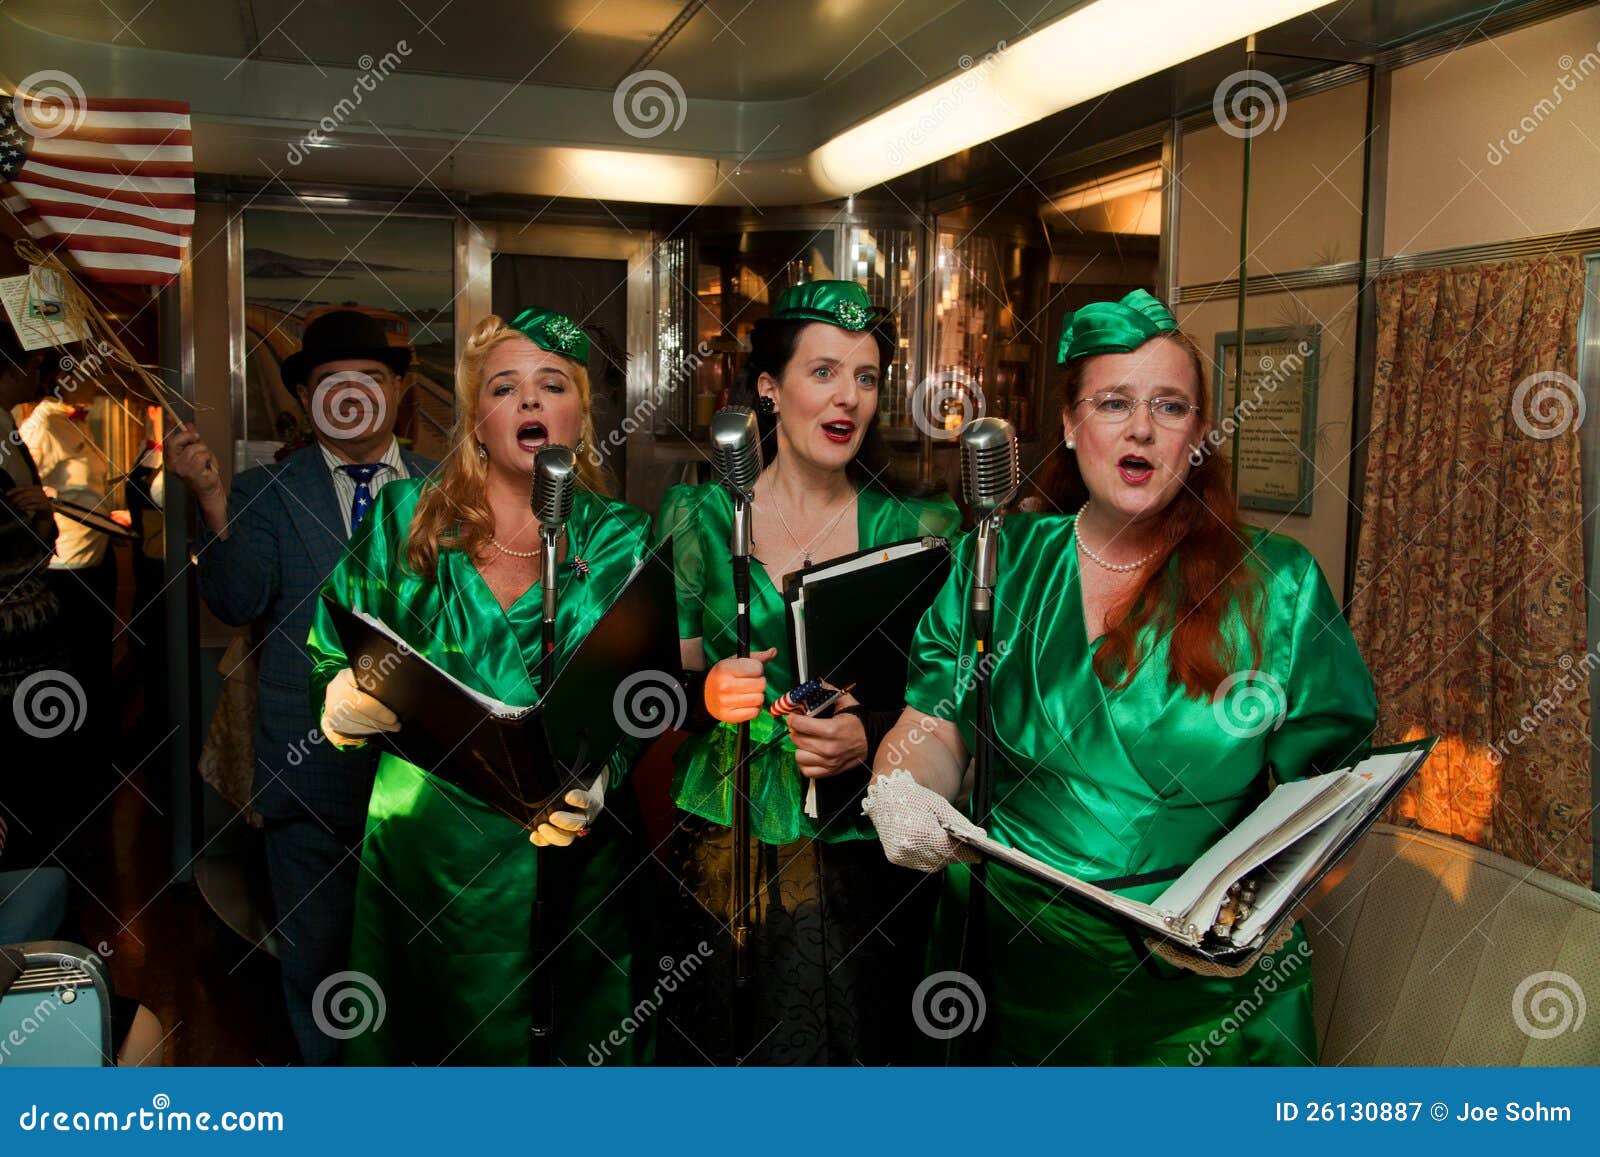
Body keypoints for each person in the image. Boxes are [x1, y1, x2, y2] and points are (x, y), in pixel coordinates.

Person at [865, 289, 1378, 1065]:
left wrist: (1241, 917)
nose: (1141, 427)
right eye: (1113, 402)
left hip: (1199, 996)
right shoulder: (998, 560)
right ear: (1071, 424)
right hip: (1008, 969)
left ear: (1198, 435)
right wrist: (903, 789)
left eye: (1170, 407)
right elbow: (935, 721)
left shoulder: (1278, 586)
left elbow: (1326, 803)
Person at [306, 309, 654, 1066]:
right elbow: (333, 644)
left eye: (551, 384)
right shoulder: (407, 519)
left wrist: (599, 780)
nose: (529, 401)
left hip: (574, 860)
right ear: (477, 421)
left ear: (580, 415)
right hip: (427, 857)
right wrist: (338, 694)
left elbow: (639, 699)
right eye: (506, 387)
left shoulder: (623, 536)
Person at [654, 281, 961, 1064]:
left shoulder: (916, 528)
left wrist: (871, 733)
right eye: (823, 372)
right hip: (722, 837)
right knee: (717, 1038)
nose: (848, 398)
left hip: (856, 844)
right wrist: (706, 692)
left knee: (848, 1042)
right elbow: (657, 692)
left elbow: (948, 693)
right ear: (768, 387)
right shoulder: (695, 521)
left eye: (865, 377)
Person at [163, 309, 437, 1065]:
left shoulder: (446, 490)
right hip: (306, 770)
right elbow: (240, 601)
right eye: (331, 382)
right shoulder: (264, 490)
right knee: (318, 960)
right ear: (309, 397)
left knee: (417, 956)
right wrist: (215, 505)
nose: (353, 395)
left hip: (426, 775)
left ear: (399, 389)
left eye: (371, 379)